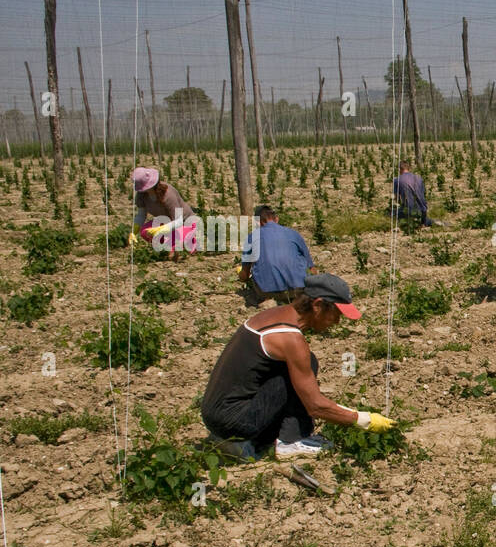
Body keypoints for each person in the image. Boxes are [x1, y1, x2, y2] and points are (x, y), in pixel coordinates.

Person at [201, 273, 396, 459]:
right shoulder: (291, 339)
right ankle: (289, 441)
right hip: (235, 421)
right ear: (318, 305)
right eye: (335, 313)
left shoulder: (274, 316)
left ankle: (250, 439)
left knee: (305, 363)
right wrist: (364, 420)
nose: (337, 322)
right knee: (301, 368)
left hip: (216, 414)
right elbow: (315, 406)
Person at [239, 204, 316, 306]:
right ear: (277, 219)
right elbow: (312, 269)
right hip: (299, 290)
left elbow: (245, 274)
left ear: (258, 222)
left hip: (268, 292)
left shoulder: (252, 237)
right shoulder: (293, 234)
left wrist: (241, 277)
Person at [130, 166, 199, 260]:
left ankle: (188, 241)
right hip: (166, 222)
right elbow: (141, 215)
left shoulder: (168, 194)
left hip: (184, 222)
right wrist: (134, 231)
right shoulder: (141, 196)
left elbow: (178, 220)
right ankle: (169, 246)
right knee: (145, 232)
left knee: (178, 239)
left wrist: (162, 229)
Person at [392, 161, 431, 226]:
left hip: (409, 212)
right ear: (409, 168)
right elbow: (423, 194)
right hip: (423, 211)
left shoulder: (397, 180)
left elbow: (396, 199)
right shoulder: (419, 178)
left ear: (399, 169)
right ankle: (425, 221)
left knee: (392, 214)